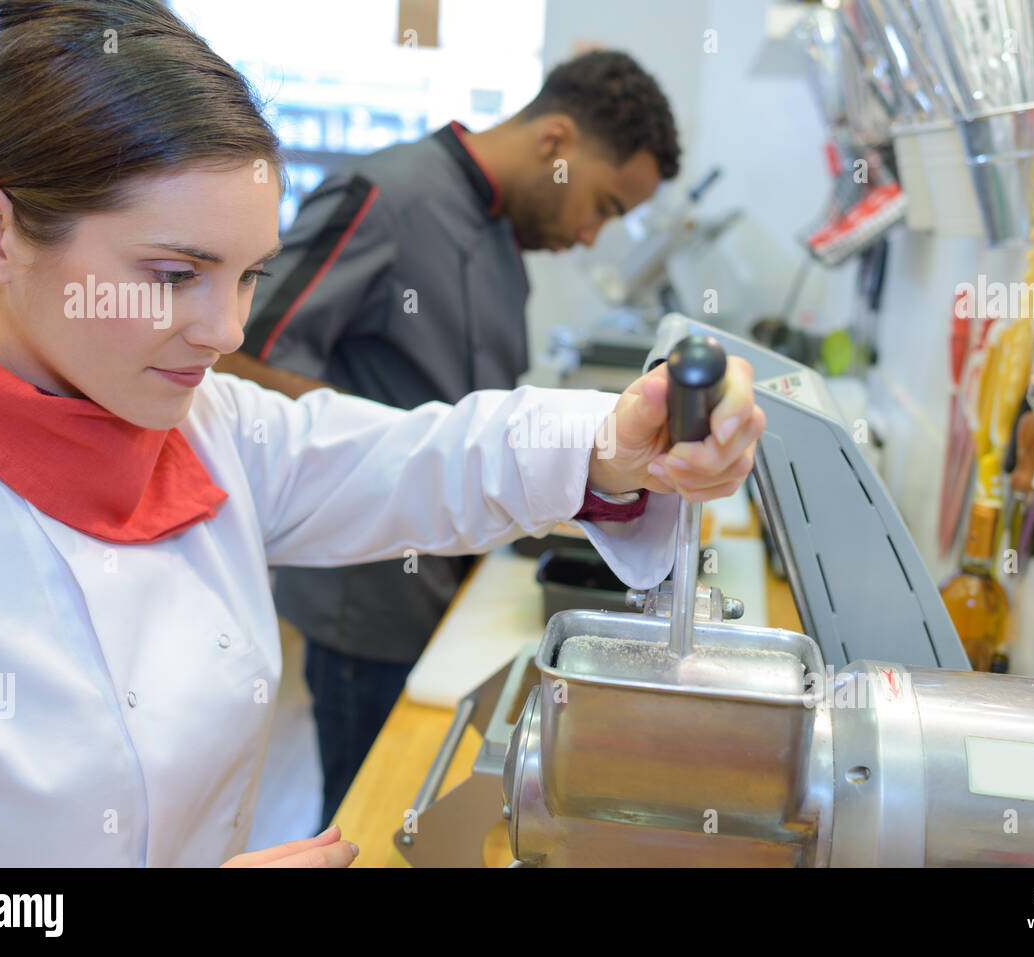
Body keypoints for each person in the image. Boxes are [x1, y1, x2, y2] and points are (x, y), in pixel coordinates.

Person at [0, 0, 765, 867]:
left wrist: (617, 439)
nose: (228, 332)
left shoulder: (214, 428)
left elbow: (423, 457)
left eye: (247, 276)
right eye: (175, 274)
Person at [215, 50, 683, 828]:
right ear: (554, 141)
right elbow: (243, 353)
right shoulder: (387, 194)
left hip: (448, 571)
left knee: (430, 812)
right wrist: (388, 443)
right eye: (600, 203)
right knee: (367, 817)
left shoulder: (501, 232)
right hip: (369, 592)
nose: (593, 233)